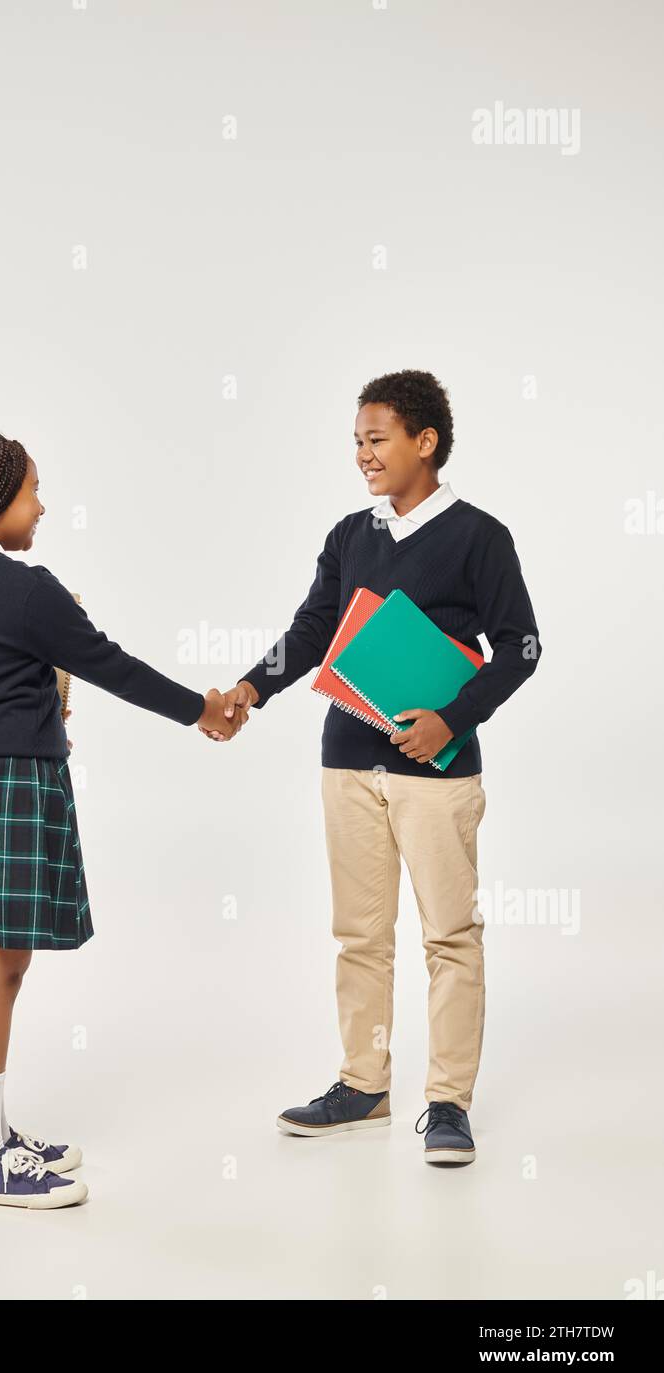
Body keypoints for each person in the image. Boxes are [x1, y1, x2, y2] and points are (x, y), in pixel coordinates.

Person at [0, 429, 245, 1209]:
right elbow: (111, 665)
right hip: (12, 786)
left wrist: (14, 696)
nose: (41, 506)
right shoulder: (27, 588)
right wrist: (204, 711)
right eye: (31, 491)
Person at [211, 370, 542, 1164]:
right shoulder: (350, 536)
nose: (363, 454)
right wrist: (251, 688)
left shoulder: (479, 536)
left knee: (450, 937)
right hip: (348, 762)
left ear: (425, 442)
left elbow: (522, 647)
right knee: (360, 934)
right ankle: (364, 1085)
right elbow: (315, 625)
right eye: (356, 440)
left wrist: (451, 718)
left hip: (439, 771)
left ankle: (448, 1103)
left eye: (378, 438)